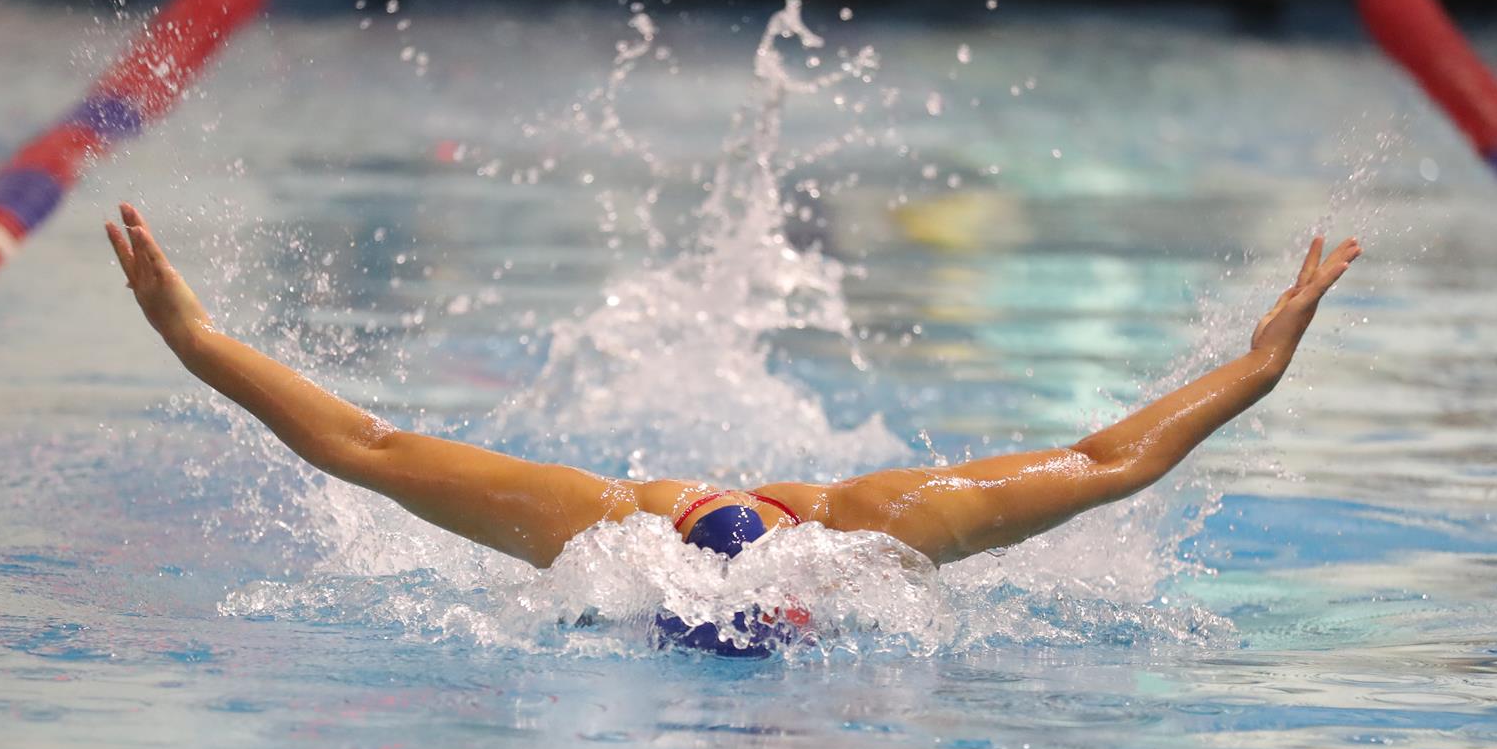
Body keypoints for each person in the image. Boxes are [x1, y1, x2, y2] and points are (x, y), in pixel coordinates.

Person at [106, 203, 1358, 648]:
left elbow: (1105, 461)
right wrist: (195, 339)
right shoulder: (616, 528)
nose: (729, 517)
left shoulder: (870, 528)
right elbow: (363, 452)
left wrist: (1264, 357)